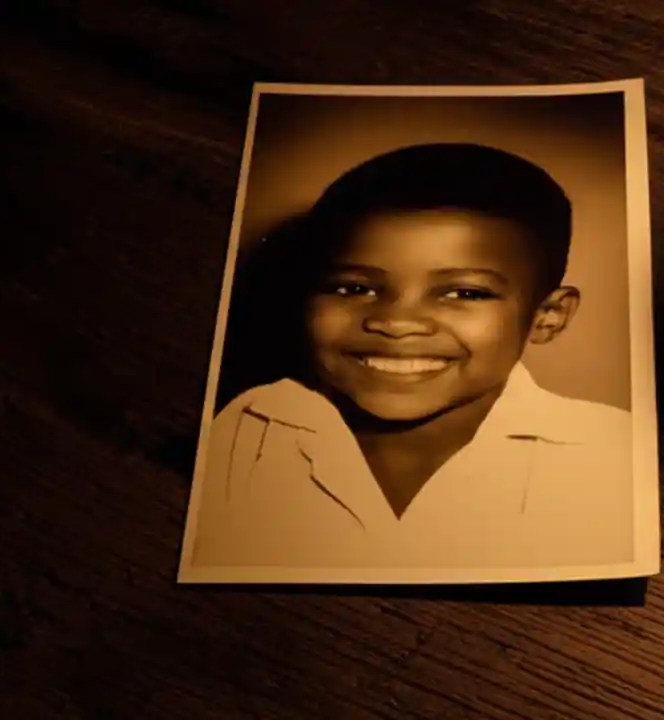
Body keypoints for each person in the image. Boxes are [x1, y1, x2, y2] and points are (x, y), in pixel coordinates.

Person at [188, 143, 633, 571]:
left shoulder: (612, 456)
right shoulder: (247, 429)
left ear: (548, 317)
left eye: (465, 292)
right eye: (354, 288)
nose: (397, 322)